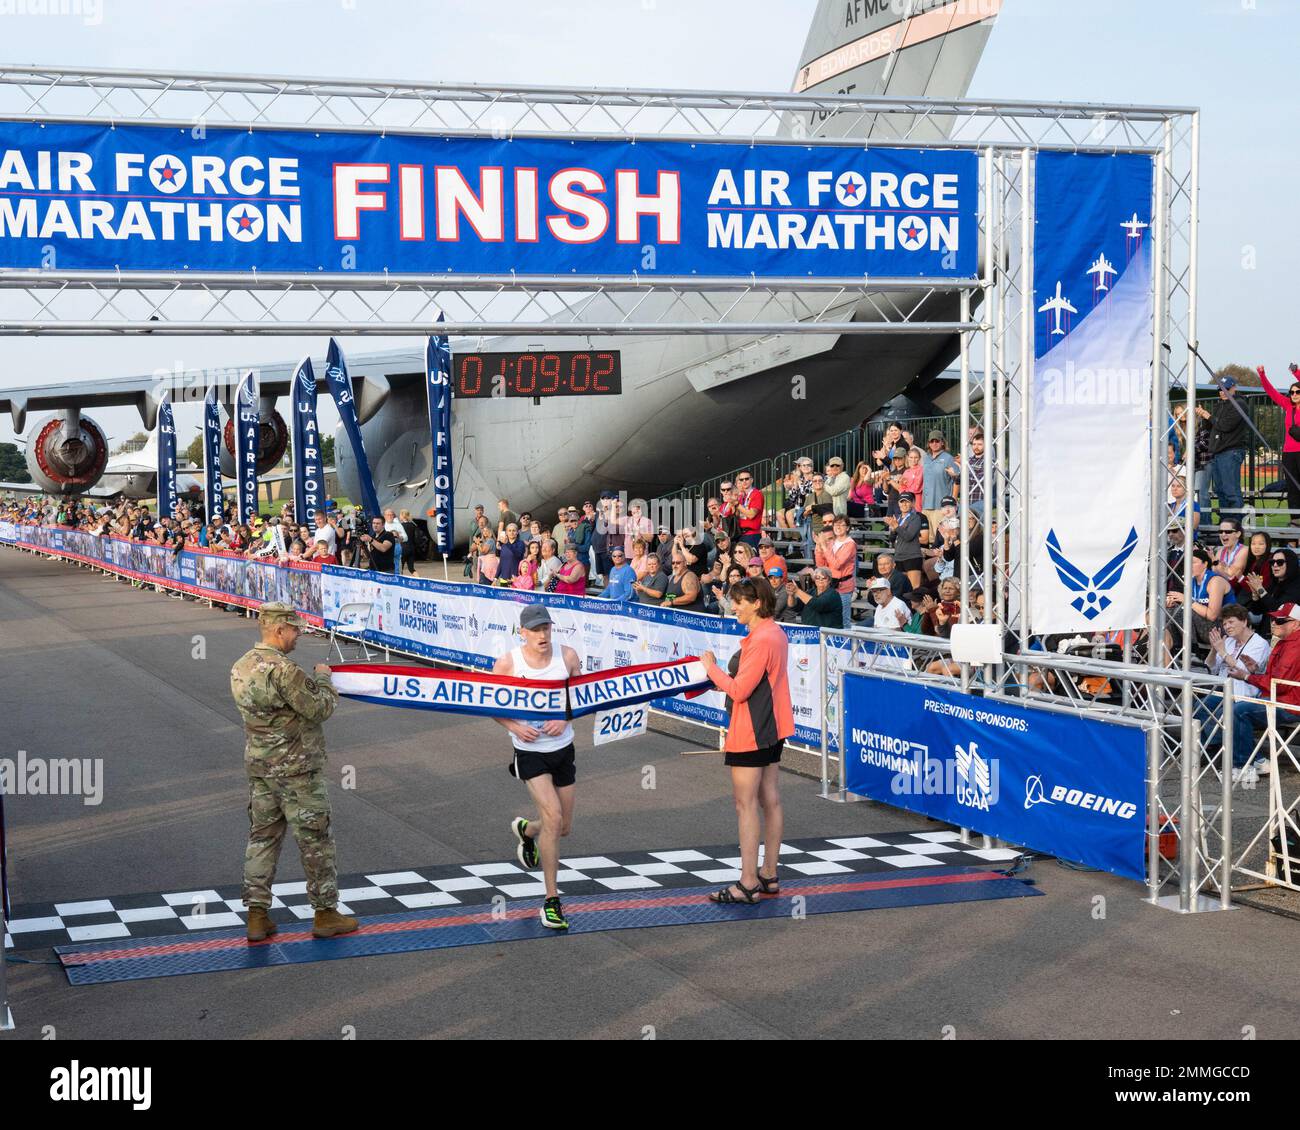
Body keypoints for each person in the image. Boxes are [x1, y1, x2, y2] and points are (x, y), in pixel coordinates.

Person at [229, 602, 357, 942]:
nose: (299, 633)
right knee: (315, 841)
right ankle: (325, 912)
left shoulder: (240, 667)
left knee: (262, 840)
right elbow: (319, 708)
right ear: (278, 630)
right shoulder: (284, 670)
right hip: (298, 771)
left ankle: (257, 917)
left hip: (261, 769)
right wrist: (324, 678)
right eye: (295, 628)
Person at [699, 578, 793, 905]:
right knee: (770, 799)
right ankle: (768, 874)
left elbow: (740, 690)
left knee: (746, 804)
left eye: (738, 601)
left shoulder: (763, 638)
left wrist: (710, 669)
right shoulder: (775, 632)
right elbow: (748, 683)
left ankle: (749, 881)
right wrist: (716, 680)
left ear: (756, 603)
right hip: (773, 725)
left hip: (753, 728)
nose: (733, 606)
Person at [496, 603, 582, 930]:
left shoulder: (568, 657)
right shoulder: (508, 663)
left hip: (563, 748)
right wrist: (514, 727)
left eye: (546, 628)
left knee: (561, 827)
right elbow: (483, 701)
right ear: (523, 633)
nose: (542, 635)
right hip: (529, 751)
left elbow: (585, 696)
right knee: (554, 816)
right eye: (535, 630)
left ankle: (527, 831)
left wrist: (565, 716)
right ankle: (551, 900)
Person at [1201, 603, 1300, 786]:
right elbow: (1275, 680)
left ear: (1296, 624)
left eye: (1280, 620)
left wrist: (1247, 676)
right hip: (1276, 697)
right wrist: (1254, 672)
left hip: (1288, 703)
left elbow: (1279, 685)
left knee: (1238, 710)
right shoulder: (1286, 642)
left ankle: (1243, 767)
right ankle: (1254, 761)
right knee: (1223, 707)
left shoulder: (1294, 646)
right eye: (1273, 619)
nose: (1273, 624)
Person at [1258, 364, 1300, 512]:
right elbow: (1271, 392)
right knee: (1292, 488)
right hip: (1289, 453)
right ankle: (1295, 522)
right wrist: (1262, 375)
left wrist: (1296, 372)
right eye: (1291, 392)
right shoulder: (1288, 405)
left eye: (1297, 392)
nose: (1294, 394)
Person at [1207, 377, 1249, 518]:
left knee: (1231, 491)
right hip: (1218, 452)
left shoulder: (1239, 404)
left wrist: (1209, 417)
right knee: (1220, 491)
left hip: (1231, 451)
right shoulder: (1220, 405)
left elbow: (1224, 426)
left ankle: (1235, 526)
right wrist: (1204, 417)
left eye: (1225, 388)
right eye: (1220, 389)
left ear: (1234, 388)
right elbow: (1212, 426)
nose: (1222, 392)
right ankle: (1226, 525)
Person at [818, 515, 858, 627]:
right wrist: (819, 548)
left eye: (841, 524)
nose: (838, 527)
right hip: (830, 585)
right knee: (830, 617)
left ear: (848, 528)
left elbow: (837, 564)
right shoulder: (831, 543)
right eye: (836, 524)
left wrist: (824, 547)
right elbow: (821, 565)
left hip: (844, 586)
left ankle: (847, 643)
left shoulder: (850, 544)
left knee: (843, 619)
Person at [884, 491, 925, 590]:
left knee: (914, 589)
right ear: (898, 503)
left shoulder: (915, 518)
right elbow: (891, 539)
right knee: (900, 588)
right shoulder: (897, 519)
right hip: (899, 557)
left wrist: (896, 526)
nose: (904, 504)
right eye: (902, 502)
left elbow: (908, 536)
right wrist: (893, 529)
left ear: (912, 503)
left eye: (907, 502)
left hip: (912, 557)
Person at [734, 470, 765, 548]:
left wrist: (737, 504)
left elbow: (751, 515)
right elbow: (737, 515)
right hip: (741, 534)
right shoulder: (741, 496)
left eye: (746, 479)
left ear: (751, 480)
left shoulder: (757, 494)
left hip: (752, 535)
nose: (744, 481)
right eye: (741, 479)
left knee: (751, 559)